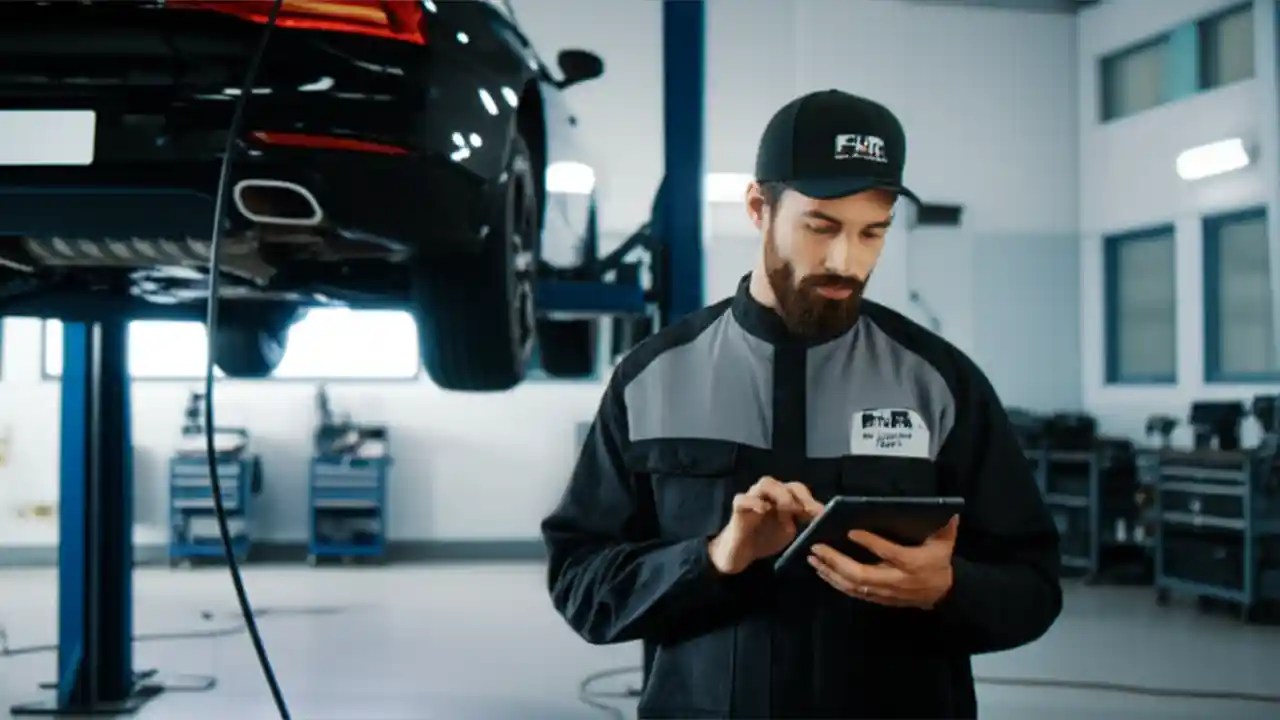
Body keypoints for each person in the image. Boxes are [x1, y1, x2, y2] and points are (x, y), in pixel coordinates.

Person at [540, 89, 1062, 719]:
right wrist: (713, 560)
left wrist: (951, 588)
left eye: (873, 232)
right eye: (821, 227)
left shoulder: (939, 382)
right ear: (759, 207)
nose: (847, 258)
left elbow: (1034, 584)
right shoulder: (654, 378)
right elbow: (581, 583)